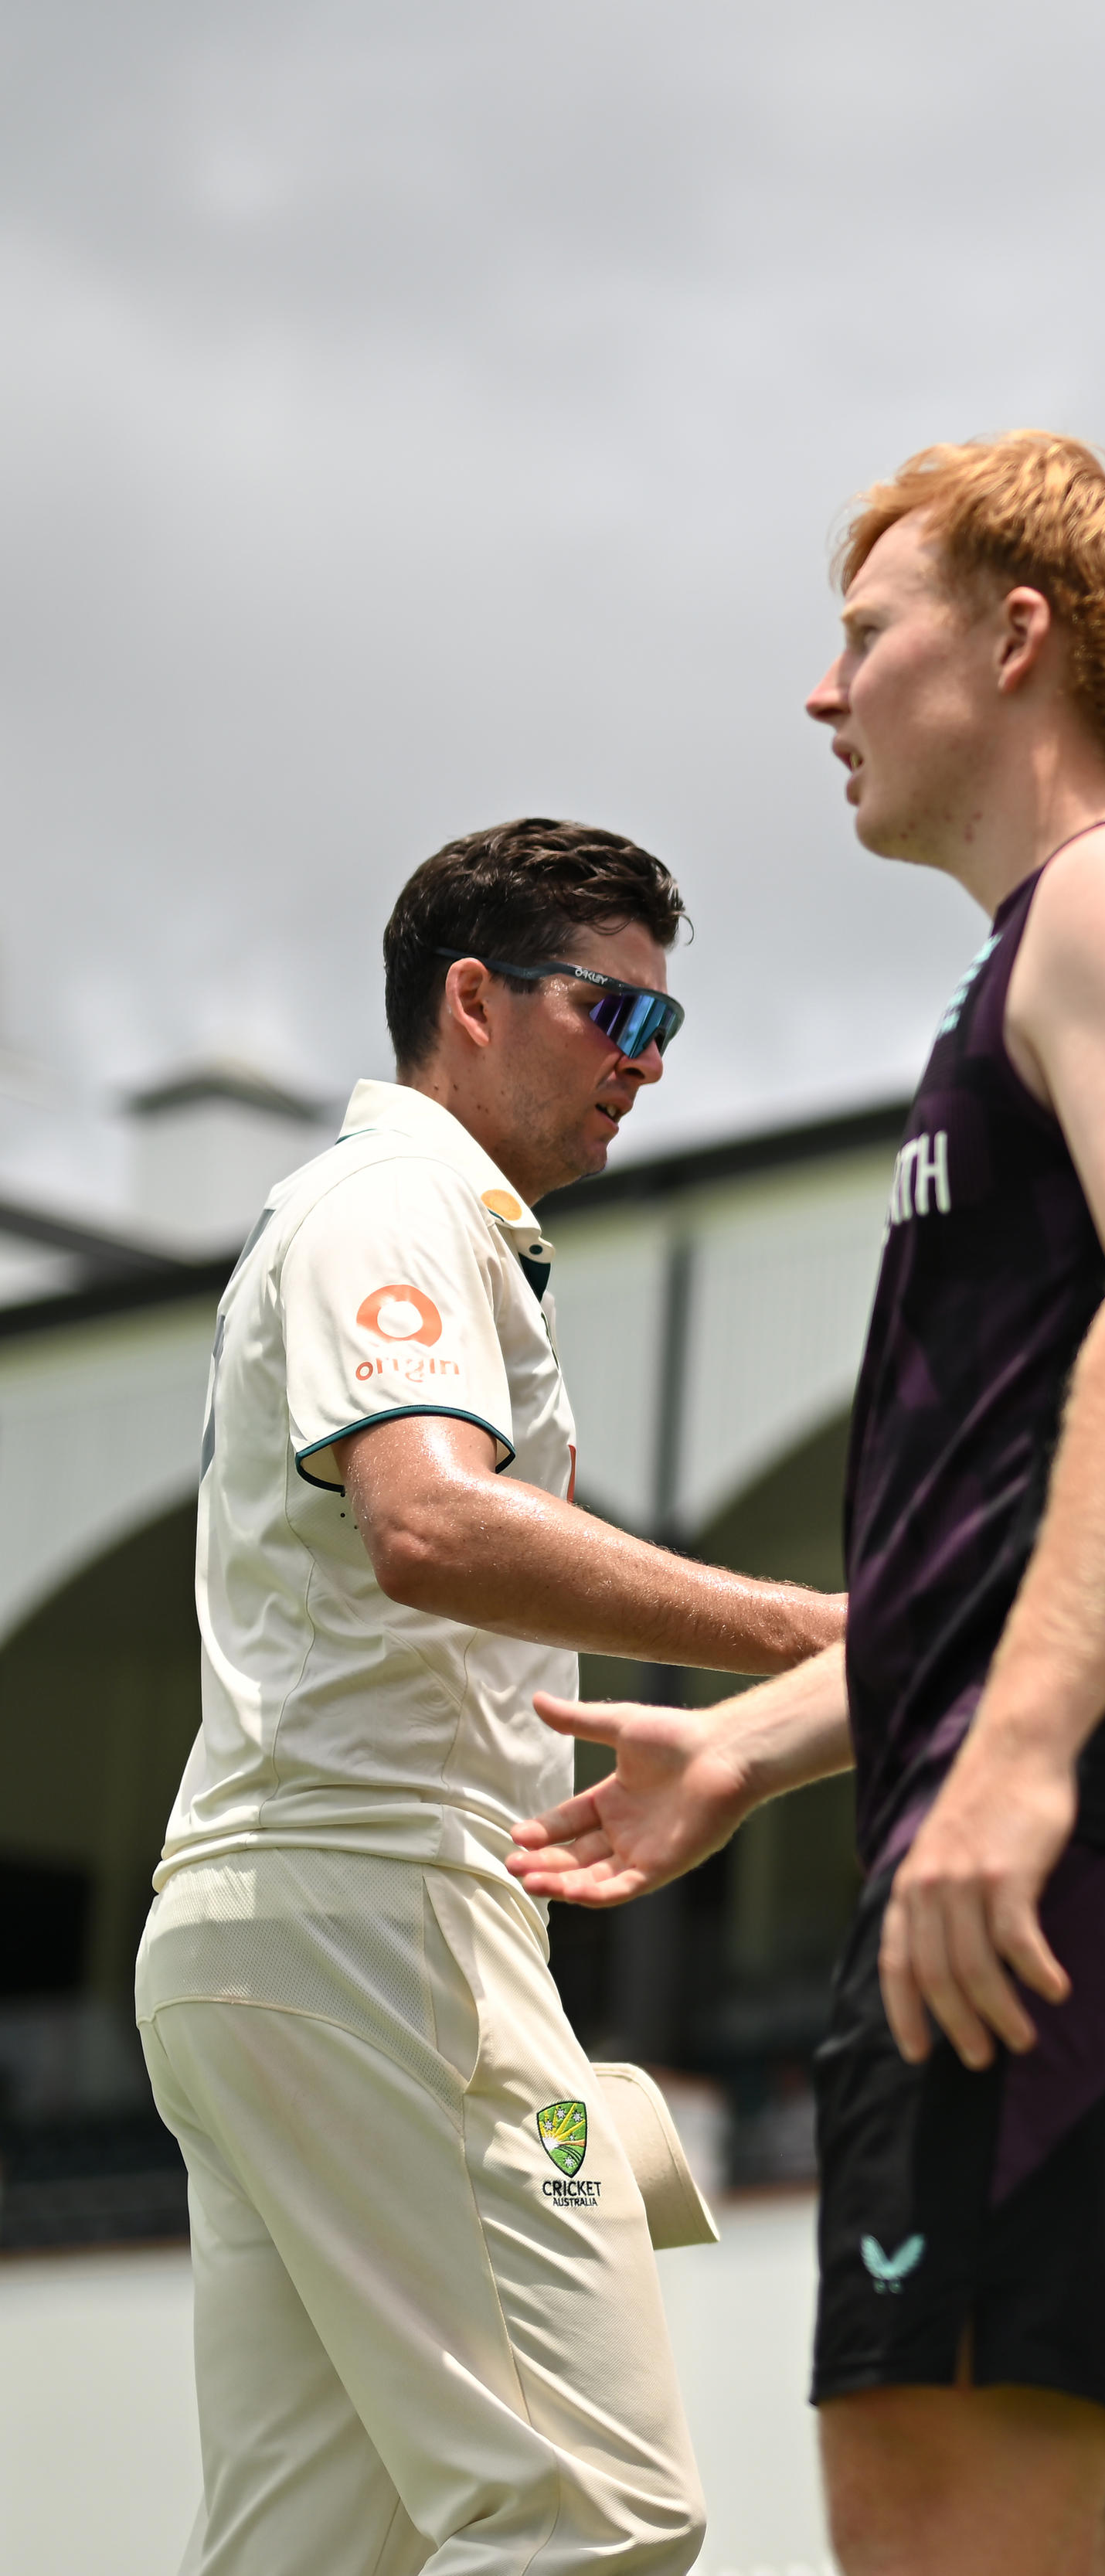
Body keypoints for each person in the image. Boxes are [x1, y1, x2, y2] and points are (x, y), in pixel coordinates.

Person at [507, 432, 1105, 2576]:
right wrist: (765, 1738)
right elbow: (1007, 1528)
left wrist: (1019, 1754)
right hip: (1097, 1822)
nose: (824, 691)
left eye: (863, 632)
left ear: (1014, 637)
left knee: (936, 2530)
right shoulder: (1044, 954)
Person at [138, 818, 842, 2574]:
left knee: (307, 2547)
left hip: (280, 1932)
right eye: (617, 1015)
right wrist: (800, 1628)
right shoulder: (392, 1205)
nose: (644, 1066)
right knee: (602, 2515)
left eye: (664, 1032)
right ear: (471, 997)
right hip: (374, 1918)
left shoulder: (412, 1223)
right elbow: (434, 1519)